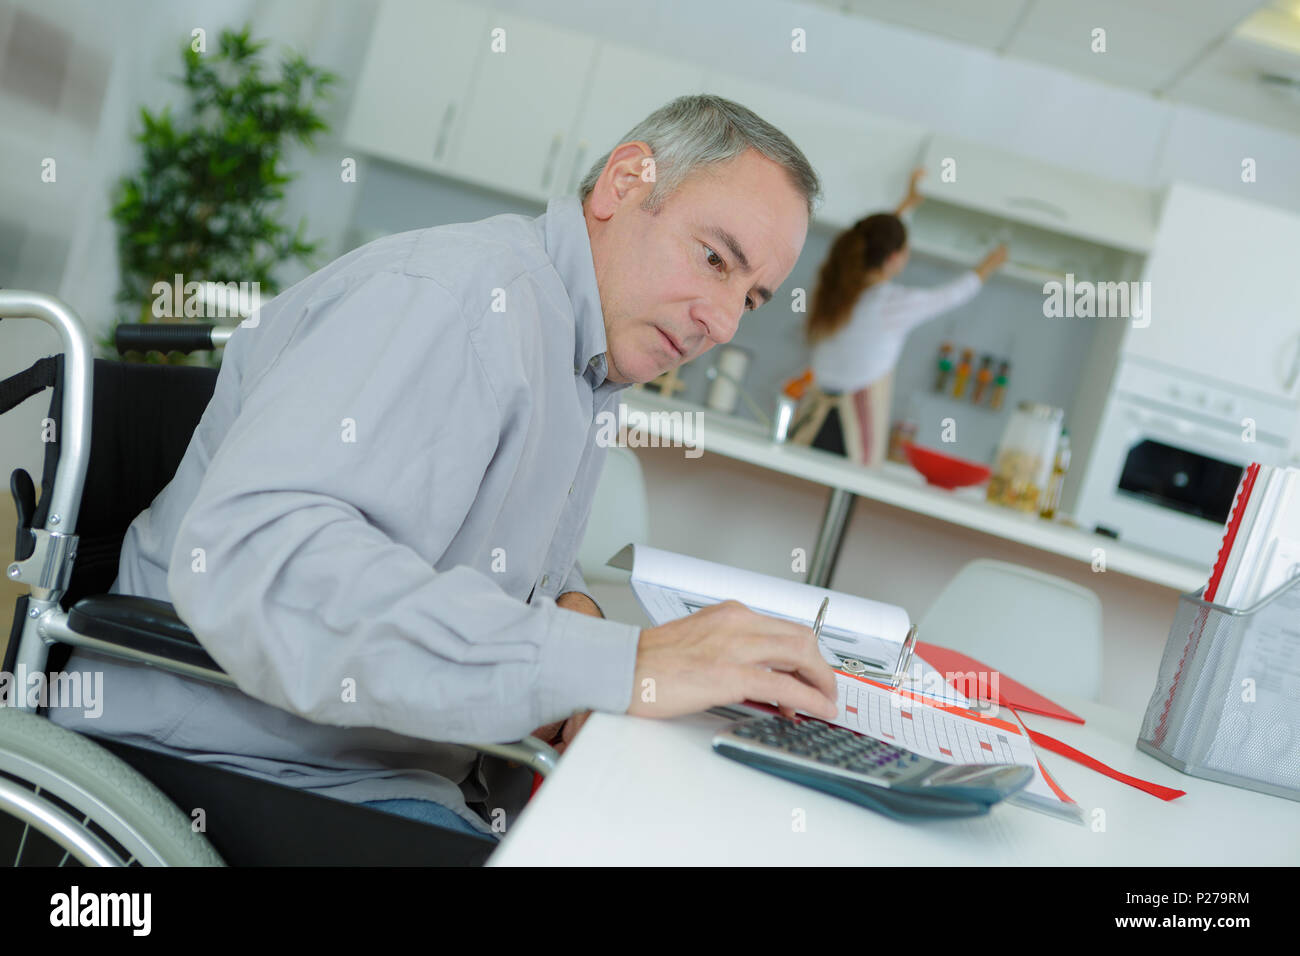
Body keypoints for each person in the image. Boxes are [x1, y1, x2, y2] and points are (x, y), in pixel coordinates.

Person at [47, 95, 840, 842]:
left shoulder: (587, 360)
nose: (724, 322)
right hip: (235, 765)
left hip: (389, 769)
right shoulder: (457, 300)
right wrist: (619, 665)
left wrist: (578, 622)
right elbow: (266, 565)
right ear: (624, 182)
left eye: (755, 297)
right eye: (713, 259)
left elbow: (520, 567)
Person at [789, 169, 1008, 464]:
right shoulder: (890, 303)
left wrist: (908, 204)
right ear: (894, 258)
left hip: (809, 421)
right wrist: (990, 264)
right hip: (848, 433)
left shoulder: (834, 291)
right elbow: (952, 295)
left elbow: (872, 240)